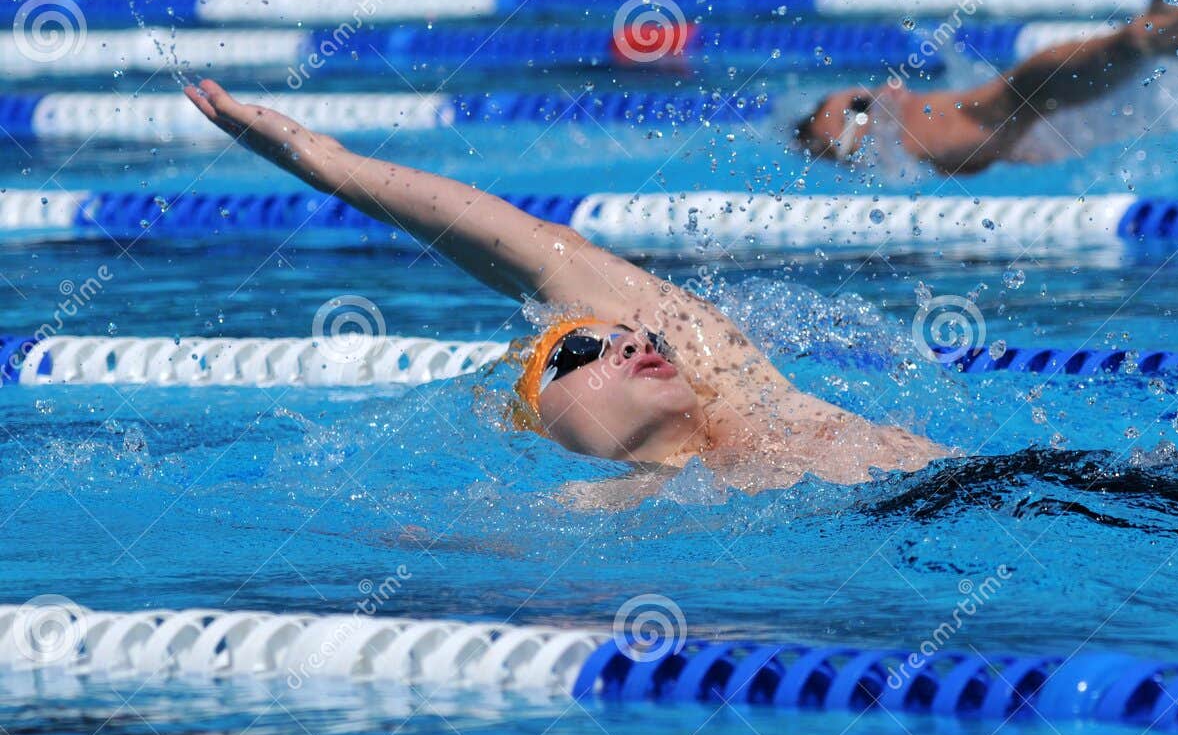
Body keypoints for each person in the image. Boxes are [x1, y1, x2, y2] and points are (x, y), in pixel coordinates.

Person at [183, 80, 949, 497]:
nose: (632, 335)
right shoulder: (589, 517)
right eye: (582, 345)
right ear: (546, 422)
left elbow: (535, 250)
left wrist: (322, 161)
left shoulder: (750, 401)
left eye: (629, 332)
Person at [793, 0, 1178, 175]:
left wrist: (1131, 44)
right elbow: (1023, 92)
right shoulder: (917, 136)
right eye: (859, 106)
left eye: (861, 94)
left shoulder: (924, 134)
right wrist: (1130, 43)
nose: (888, 87)